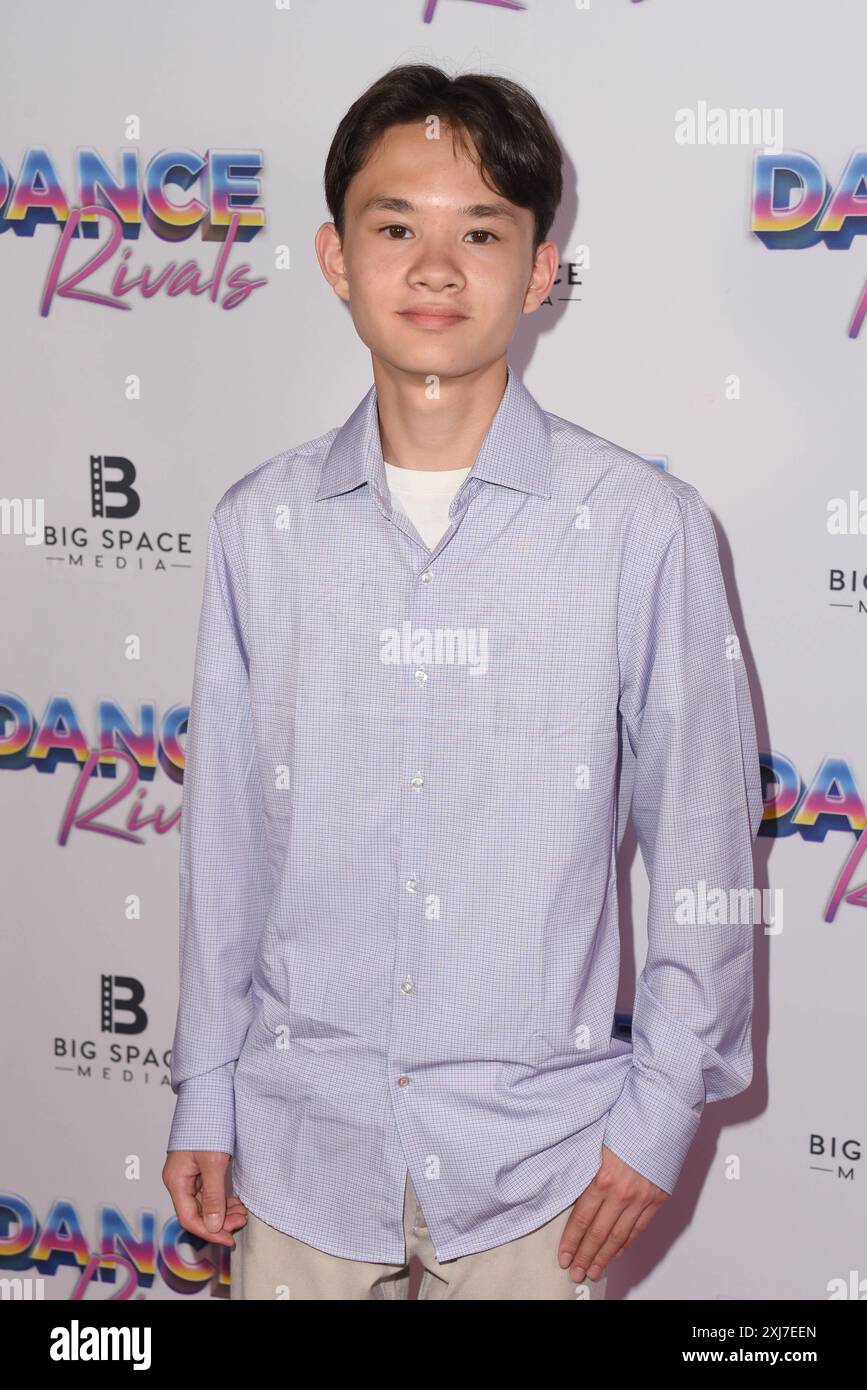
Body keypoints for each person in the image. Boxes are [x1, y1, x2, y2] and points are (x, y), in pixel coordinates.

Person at [163, 63, 764, 1301]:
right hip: (297, 1155)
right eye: (397, 227)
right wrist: (202, 1088)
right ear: (336, 256)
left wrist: (655, 1119)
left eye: (480, 231)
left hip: (540, 1169)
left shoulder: (642, 528)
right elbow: (224, 845)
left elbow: (706, 850)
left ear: (541, 270)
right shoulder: (255, 529)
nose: (435, 268)